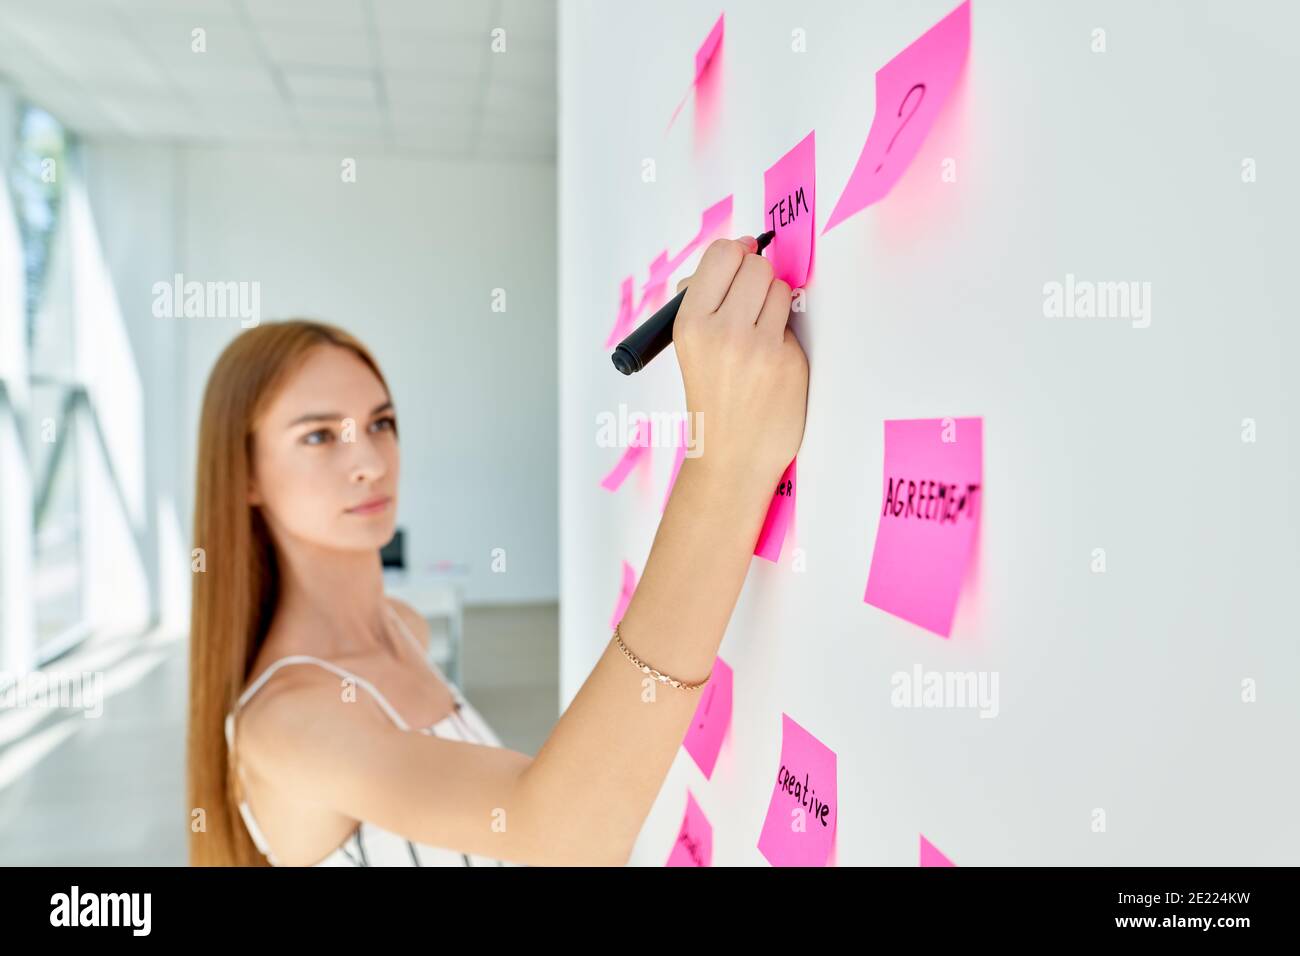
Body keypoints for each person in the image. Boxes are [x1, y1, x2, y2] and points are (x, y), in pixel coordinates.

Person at [187, 235, 809, 866]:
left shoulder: (404, 629)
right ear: (245, 475)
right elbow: (562, 836)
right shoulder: (287, 721)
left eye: (381, 423)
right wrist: (726, 464)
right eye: (320, 436)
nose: (370, 462)